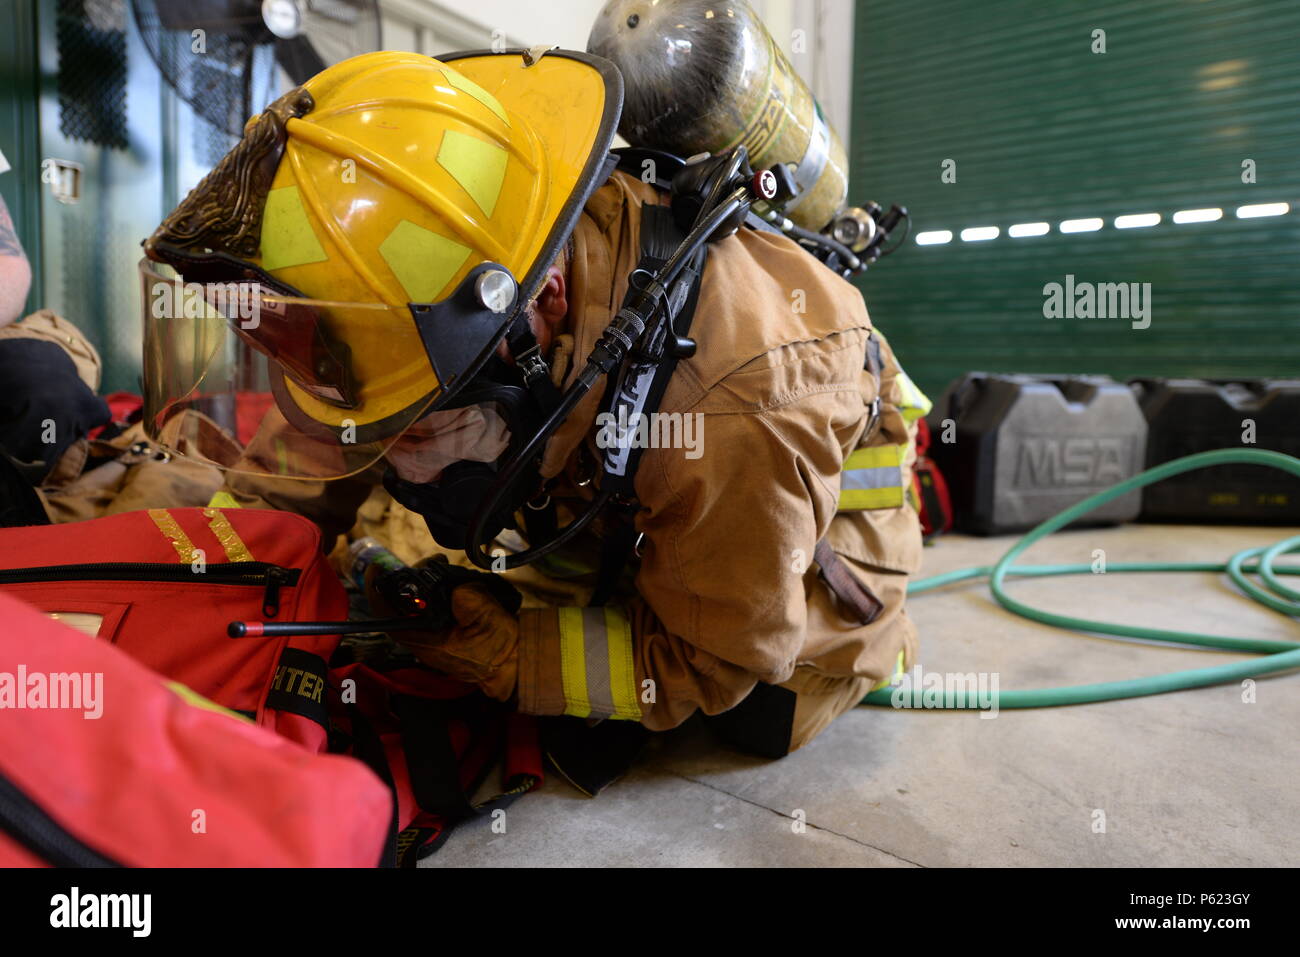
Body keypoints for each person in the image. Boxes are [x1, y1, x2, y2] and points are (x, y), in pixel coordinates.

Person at [141, 49, 929, 760]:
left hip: (811, 548)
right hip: (630, 479)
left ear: (540, 304)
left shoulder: (732, 405)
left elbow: (712, 664)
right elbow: (338, 419)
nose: (395, 459)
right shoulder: (403, 301)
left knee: (750, 715)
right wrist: (221, 576)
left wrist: (512, 655)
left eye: (424, 426)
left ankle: (865, 638)